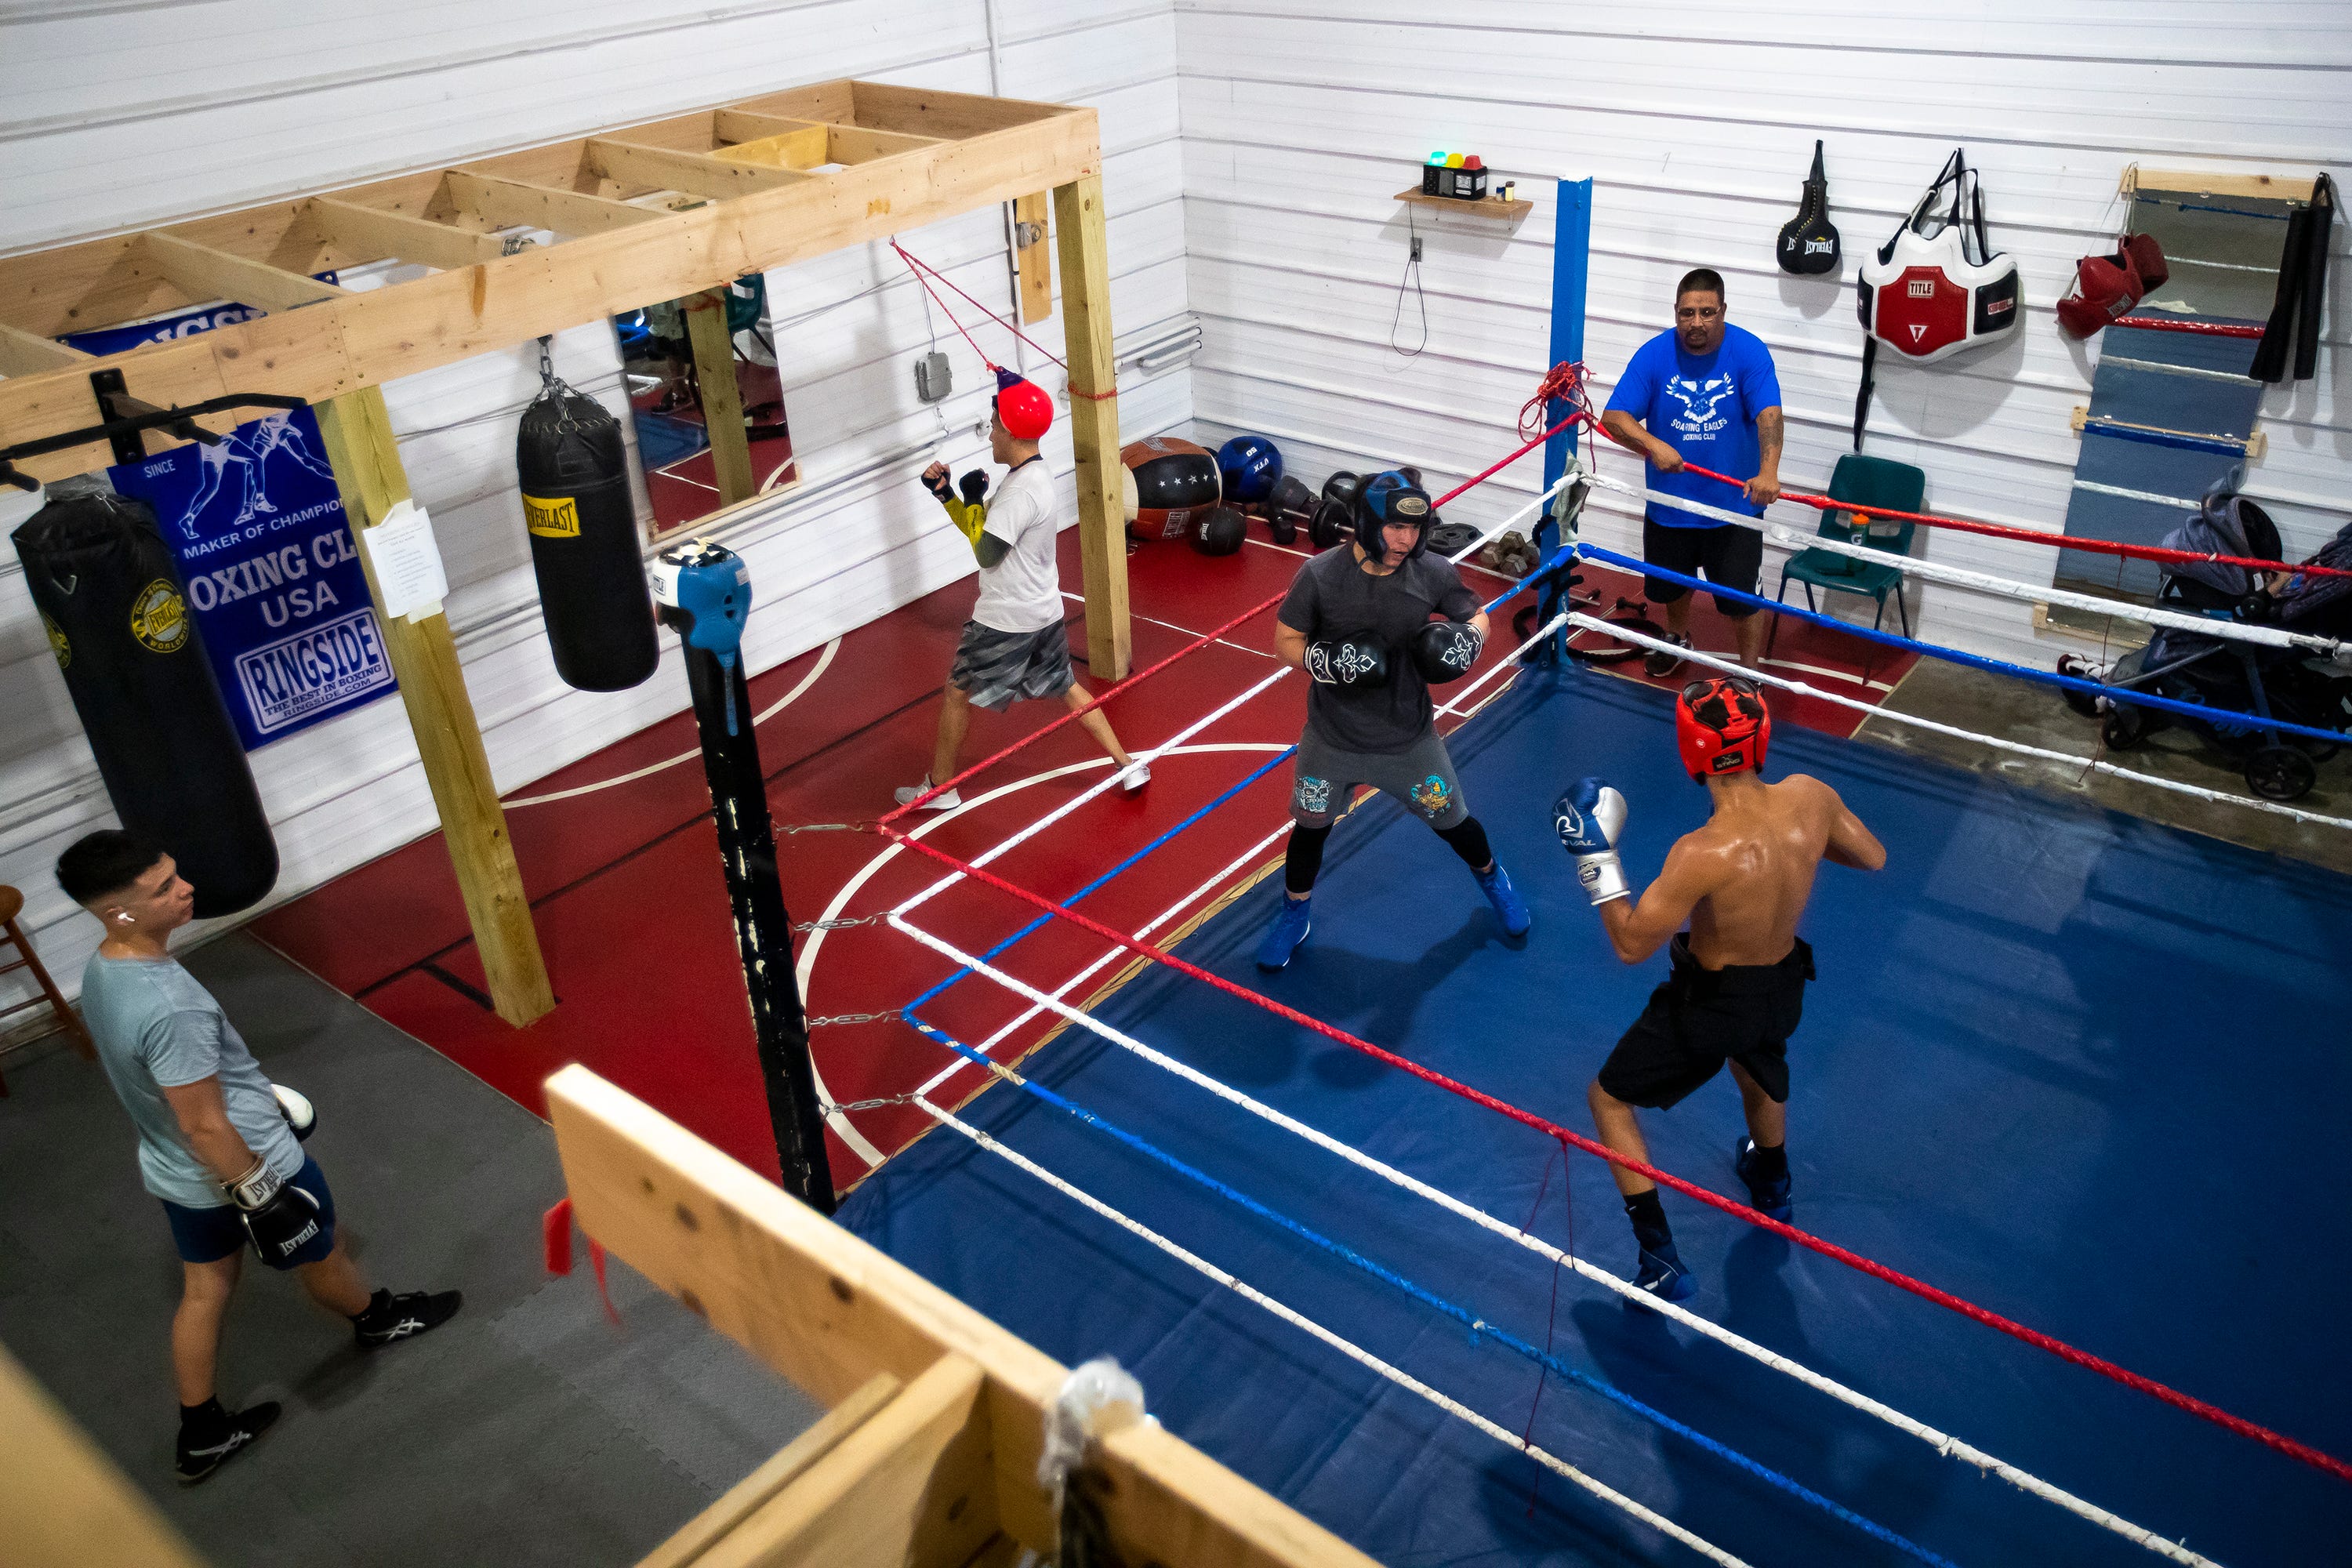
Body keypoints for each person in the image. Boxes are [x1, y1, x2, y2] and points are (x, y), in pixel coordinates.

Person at [54, 830, 463, 1483]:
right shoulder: (169, 1006)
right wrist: (264, 1194)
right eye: (163, 889)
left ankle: (203, 1431)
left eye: (175, 873)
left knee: (205, 1290)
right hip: (245, 1162)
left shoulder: (107, 967)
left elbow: (168, 1090)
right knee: (321, 1253)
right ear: (119, 913)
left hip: (174, 1174)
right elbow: (205, 1125)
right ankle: (379, 1319)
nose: (185, 888)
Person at [1554, 676, 1885, 1299]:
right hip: (1785, 987)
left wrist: (1592, 858)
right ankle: (1773, 1182)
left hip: (1711, 1005)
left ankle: (1659, 1260)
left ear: (1691, 751)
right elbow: (1872, 857)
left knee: (1608, 1100)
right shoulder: (1811, 798)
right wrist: (1803, 847)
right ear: (1760, 740)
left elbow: (1629, 945)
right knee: (1759, 1061)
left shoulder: (1700, 852)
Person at [1256, 470, 1530, 970]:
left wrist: (1465, 643)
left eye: (1416, 529)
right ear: (1365, 522)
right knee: (1309, 829)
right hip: (1332, 739)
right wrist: (1326, 661)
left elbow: (1479, 616)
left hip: (1408, 738)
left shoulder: (1432, 572)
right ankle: (1295, 916)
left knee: (1455, 823)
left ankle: (1495, 880)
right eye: (1395, 528)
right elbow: (1284, 644)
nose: (1407, 539)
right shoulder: (1320, 575)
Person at [896, 370, 1147, 809]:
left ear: (1010, 429)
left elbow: (986, 554)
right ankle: (1127, 765)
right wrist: (948, 497)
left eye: (993, 425)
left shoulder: (1019, 493)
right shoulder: (1031, 475)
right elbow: (983, 533)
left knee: (957, 691)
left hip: (1005, 619)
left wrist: (971, 501)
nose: (990, 434)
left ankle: (940, 788)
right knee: (1069, 687)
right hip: (1043, 611)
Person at [1601, 268, 1786, 677]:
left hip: (1733, 509)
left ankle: (1749, 675)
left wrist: (1768, 471)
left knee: (1741, 601)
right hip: (1671, 505)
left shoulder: (1749, 352)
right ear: (1676, 312)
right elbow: (1614, 417)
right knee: (1671, 587)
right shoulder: (1653, 355)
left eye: (1707, 312)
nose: (1696, 322)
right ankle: (1677, 638)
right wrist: (1653, 444)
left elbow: (1769, 414)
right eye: (1687, 313)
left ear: (1722, 311)